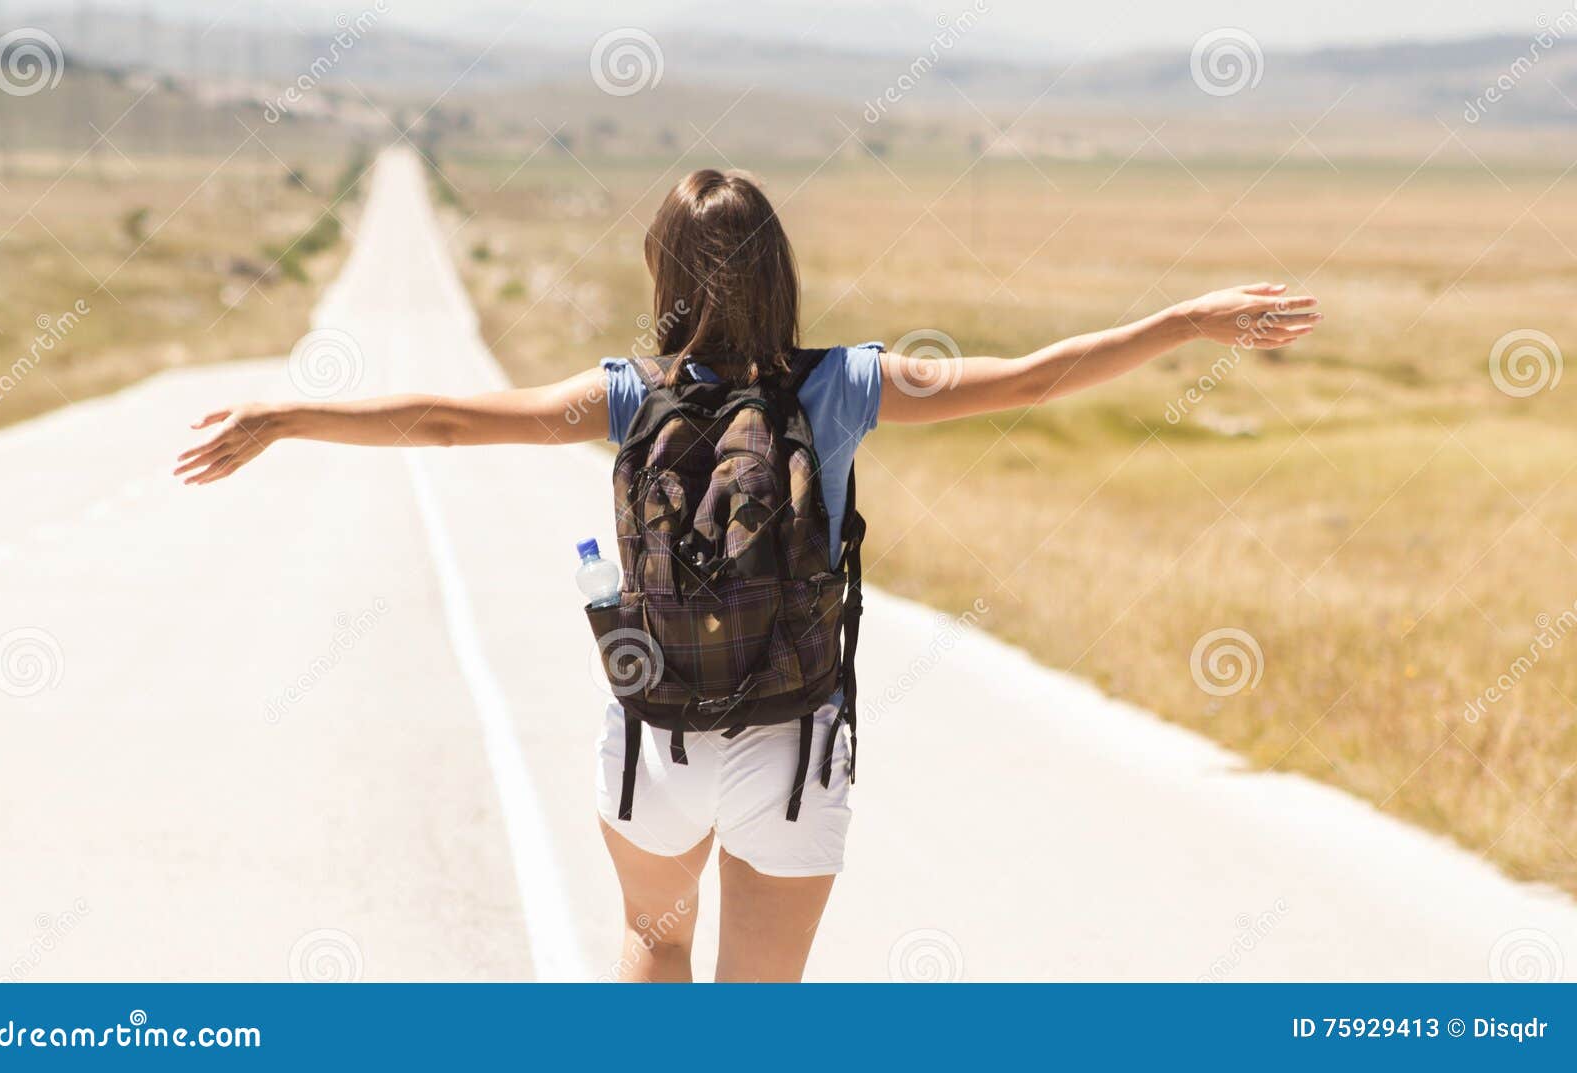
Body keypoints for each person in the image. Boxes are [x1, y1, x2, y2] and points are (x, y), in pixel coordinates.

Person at [174, 168, 1319, 982]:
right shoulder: (844, 386)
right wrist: (1184, 318)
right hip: (792, 752)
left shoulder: (625, 395)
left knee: (654, 945)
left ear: (661, 273)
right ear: (780, 271)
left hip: (654, 738)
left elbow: (438, 423)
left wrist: (283, 410)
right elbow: (1029, 381)